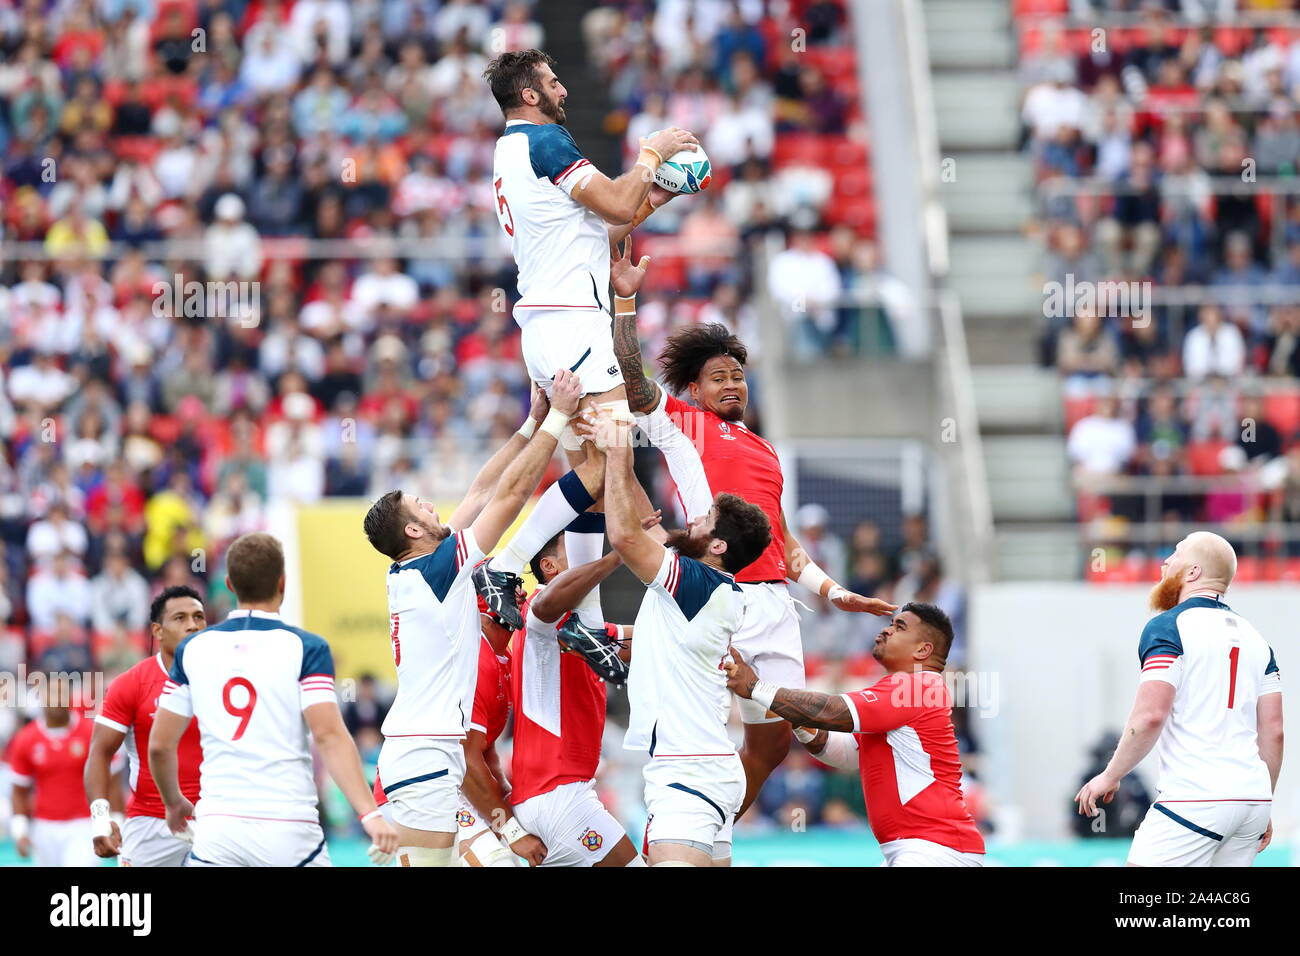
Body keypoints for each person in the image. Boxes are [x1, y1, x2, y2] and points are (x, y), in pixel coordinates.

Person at [610, 249, 895, 827]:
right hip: (714, 591)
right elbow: (633, 377)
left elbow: (787, 546)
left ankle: (708, 835)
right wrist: (625, 300)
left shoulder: (765, 450)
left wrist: (837, 593)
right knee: (706, 733)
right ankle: (675, 836)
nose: (733, 384)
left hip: (774, 603)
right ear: (694, 389)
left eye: (738, 374)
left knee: (770, 746)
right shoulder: (681, 423)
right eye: (718, 377)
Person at [473, 48, 698, 631]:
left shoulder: (508, 151)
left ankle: (589, 619)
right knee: (612, 461)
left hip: (546, 329)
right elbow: (617, 201)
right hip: (575, 323)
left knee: (594, 478)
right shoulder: (546, 143)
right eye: (552, 82)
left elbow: (604, 224)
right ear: (529, 95)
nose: (563, 91)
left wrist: (661, 194)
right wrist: (653, 151)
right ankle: (509, 564)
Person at [363, 369, 580, 867]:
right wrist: (561, 418)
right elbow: (506, 498)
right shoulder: (436, 569)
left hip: (421, 756)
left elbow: (482, 490)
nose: (433, 503)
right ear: (415, 529)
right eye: (420, 503)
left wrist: (531, 424)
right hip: (424, 757)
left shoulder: (421, 565)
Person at [585, 407, 771, 867]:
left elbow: (627, 537)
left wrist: (616, 448)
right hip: (707, 766)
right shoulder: (707, 587)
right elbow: (645, 522)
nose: (692, 521)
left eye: (705, 519)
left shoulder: (696, 582)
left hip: (688, 769)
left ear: (718, 546)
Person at [148, 533, 397, 867]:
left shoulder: (192, 649)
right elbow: (328, 735)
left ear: (229, 585)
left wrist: (174, 802)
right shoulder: (307, 648)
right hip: (287, 827)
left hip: (218, 829)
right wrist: (370, 815)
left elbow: (160, 746)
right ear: (283, 582)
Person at [1075, 532, 1284, 867]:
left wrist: (1110, 775)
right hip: (1253, 801)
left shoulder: (1168, 627)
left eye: (1175, 554)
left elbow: (1150, 717)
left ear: (1192, 573)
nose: (1165, 562)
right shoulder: (1257, 639)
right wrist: (1260, 803)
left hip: (1197, 797)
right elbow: (1274, 732)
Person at [726, 602, 986, 867]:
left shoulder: (916, 685)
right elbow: (842, 752)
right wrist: (792, 713)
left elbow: (831, 711)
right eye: (890, 624)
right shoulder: (909, 691)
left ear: (923, 649)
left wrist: (756, 687)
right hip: (926, 848)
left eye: (899, 627)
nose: (885, 631)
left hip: (935, 849)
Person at [510, 532, 643, 867]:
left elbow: (635, 641)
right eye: (576, 552)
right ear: (549, 567)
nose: (588, 560)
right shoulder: (544, 612)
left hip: (549, 794)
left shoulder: (577, 625)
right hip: (560, 794)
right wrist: (617, 556)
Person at [85, 585, 207, 866]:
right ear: (157, 631)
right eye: (180, 618)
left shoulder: (226, 679)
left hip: (214, 819)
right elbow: (100, 753)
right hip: (151, 823)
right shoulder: (131, 684)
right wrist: (101, 818)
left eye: (198, 617)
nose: (192, 625)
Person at [8, 695, 102, 867]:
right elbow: (19, 790)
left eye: (61, 696)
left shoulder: (90, 732)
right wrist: (20, 831)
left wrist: (112, 821)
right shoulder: (26, 738)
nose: (56, 702)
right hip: (44, 826)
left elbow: (110, 780)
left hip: (83, 823)